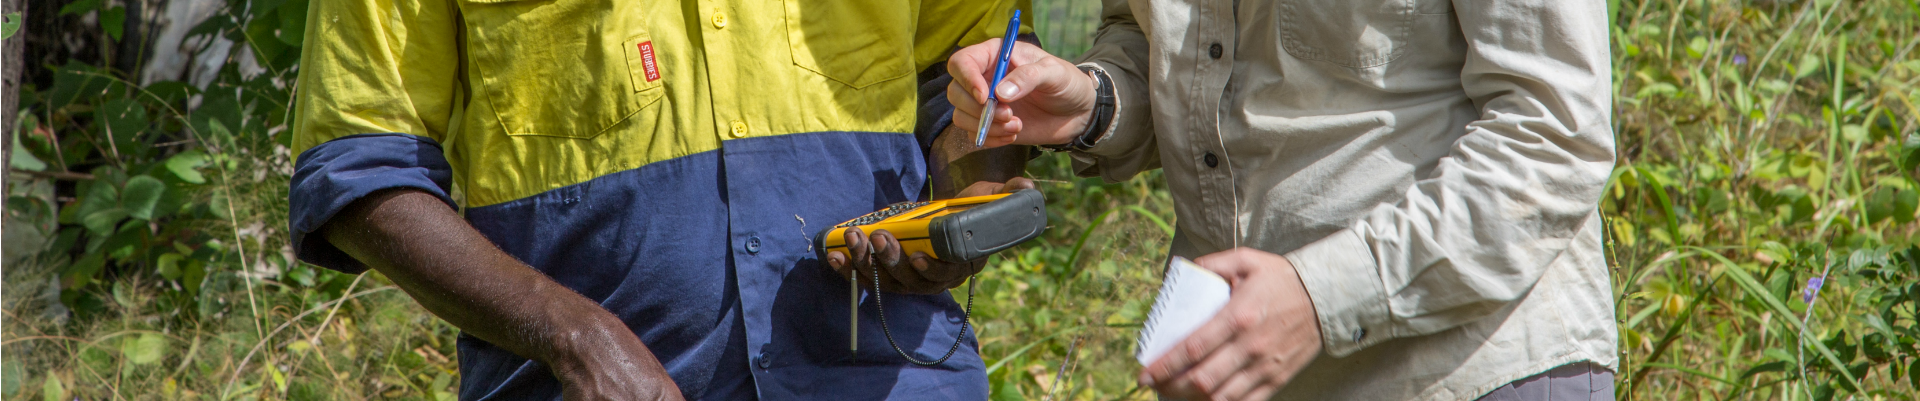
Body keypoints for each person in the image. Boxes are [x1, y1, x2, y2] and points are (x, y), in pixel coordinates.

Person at [287, 0, 1035, 399]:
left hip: (888, 377)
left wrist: (965, 208)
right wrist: (572, 338)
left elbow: (971, 69)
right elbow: (359, 171)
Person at [947, 0, 1617, 400]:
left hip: (1468, 369)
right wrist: (1095, 102)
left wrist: (1322, 295)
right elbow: (1165, 46)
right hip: (1240, 371)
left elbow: (1554, 137)